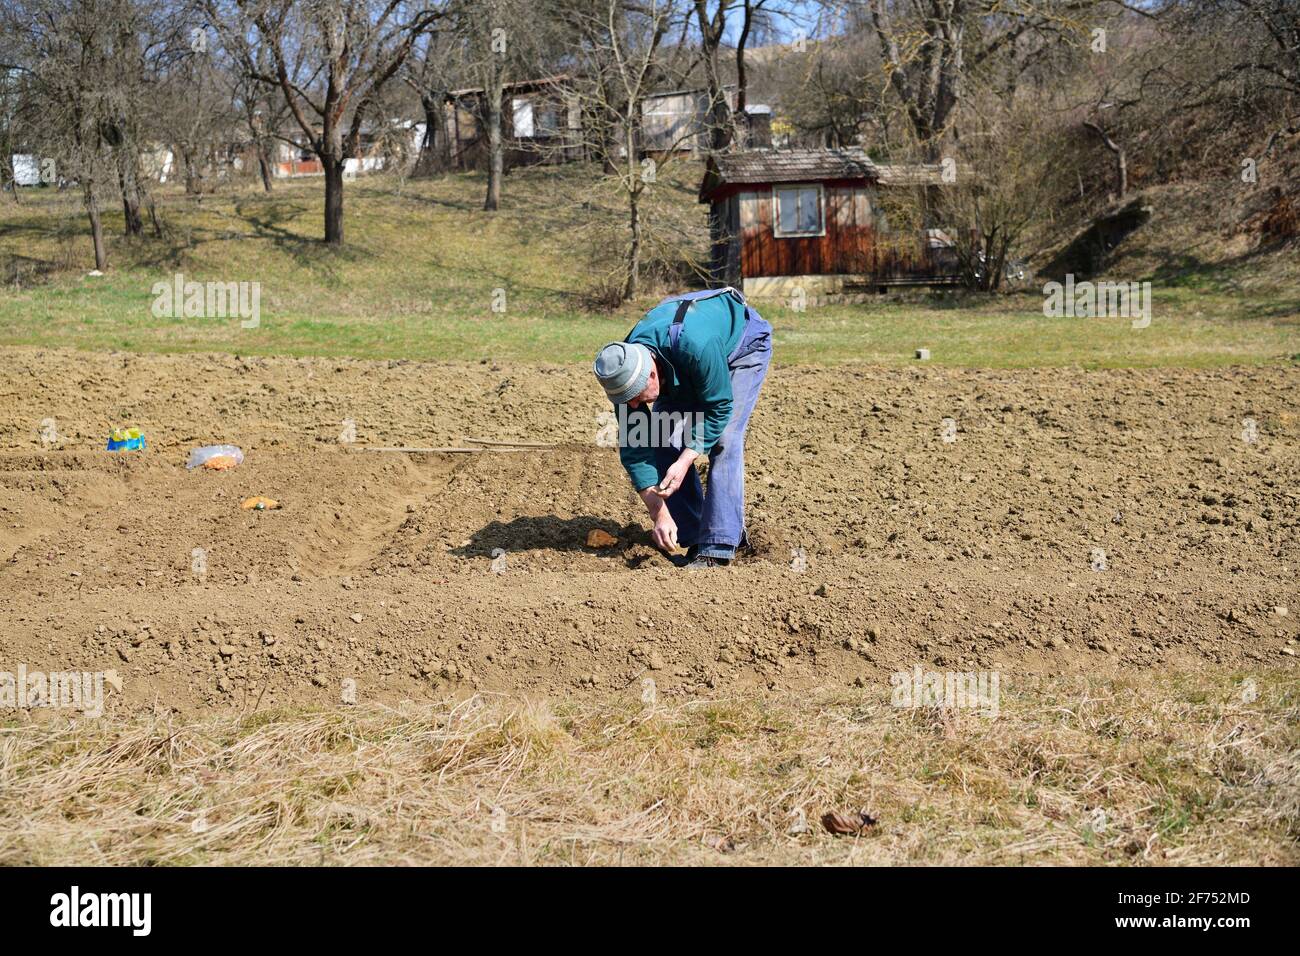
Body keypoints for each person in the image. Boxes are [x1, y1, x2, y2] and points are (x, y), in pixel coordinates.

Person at [592, 288, 772, 569]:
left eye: (639, 395)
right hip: (680, 363)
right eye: (630, 400)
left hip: (740, 349)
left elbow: (719, 407)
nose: (636, 404)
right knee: (663, 436)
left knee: (723, 438)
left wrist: (687, 458)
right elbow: (637, 450)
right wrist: (659, 513)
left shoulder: (696, 345)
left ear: (652, 373)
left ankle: (718, 547)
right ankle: (695, 536)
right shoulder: (624, 376)